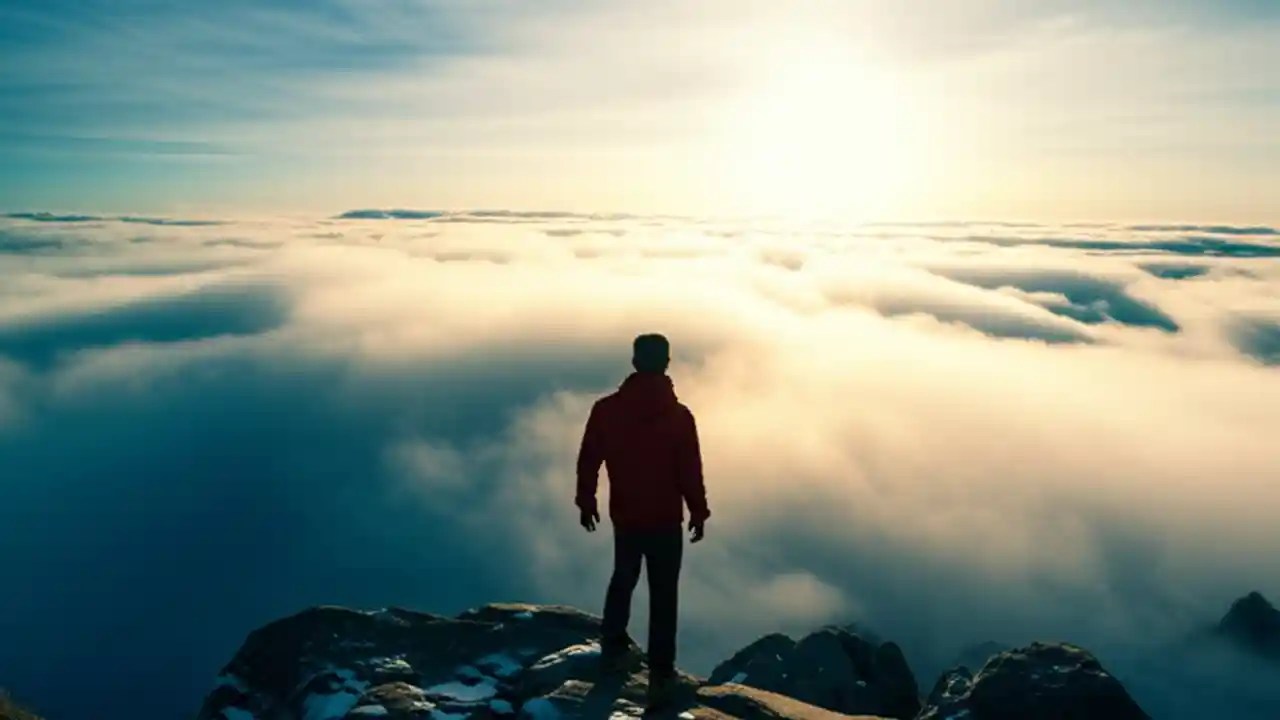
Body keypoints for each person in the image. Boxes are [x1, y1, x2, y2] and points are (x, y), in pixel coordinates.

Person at [575, 333, 710, 708]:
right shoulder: (680, 417)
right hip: (666, 519)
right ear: (667, 362)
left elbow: (589, 458)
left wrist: (586, 500)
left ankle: (614, 648)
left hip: (627, 516)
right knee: (664, 595)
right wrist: (698, 511)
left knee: (623, 579)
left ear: (634, 362)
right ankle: (661, 676)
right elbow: (689, 471)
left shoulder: (606, 410)